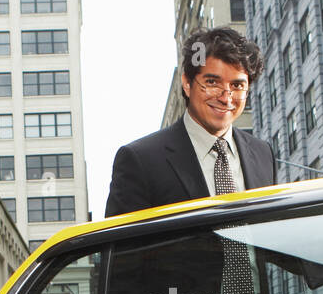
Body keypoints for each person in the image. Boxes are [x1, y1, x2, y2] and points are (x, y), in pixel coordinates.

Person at [105, 27, 276, 217]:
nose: (226, 98)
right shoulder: (140, 161)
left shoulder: (263, 154)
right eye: (212, 83)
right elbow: (124, 245)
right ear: (187, 83)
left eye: (237, 85)